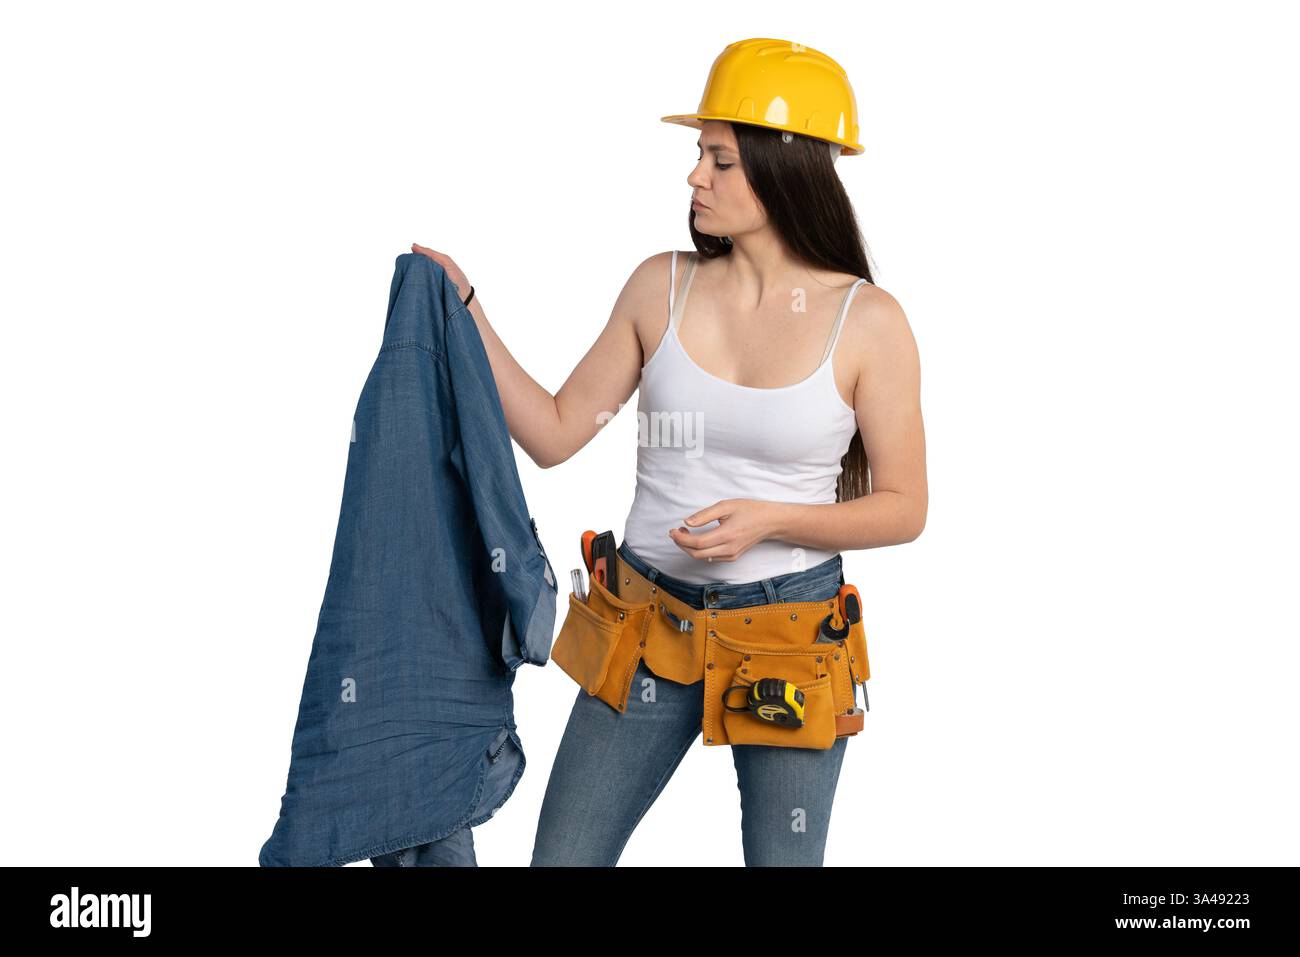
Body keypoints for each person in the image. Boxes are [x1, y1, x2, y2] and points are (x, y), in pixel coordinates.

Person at [406, 38, 926, 866]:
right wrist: (465, 306)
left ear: (783, 168)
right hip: (645, 625)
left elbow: (905, 507)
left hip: (787, 636)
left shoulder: (869, 323)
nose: (695, 177)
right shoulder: (661, 286)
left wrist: (773, 520)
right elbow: (553, 430)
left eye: (719, 160)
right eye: (699, 156)